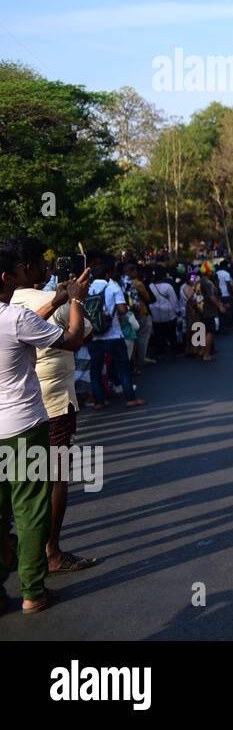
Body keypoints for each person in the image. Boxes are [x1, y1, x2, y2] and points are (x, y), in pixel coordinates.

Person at [0, 238, 91, 613]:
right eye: (22, 270)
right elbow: (72, 340)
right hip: (23, 427)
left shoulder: (16, 316)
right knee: (31, 509)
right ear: (7, 276)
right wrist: (77, 300)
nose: (28, 274)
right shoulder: (14, 319)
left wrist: (56, 298)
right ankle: (33, 591)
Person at [86, 260, 145, 408]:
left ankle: (99, 401)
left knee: (95, 370)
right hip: (113, 335)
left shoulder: (87, 287)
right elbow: (123, 309)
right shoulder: (112, 287)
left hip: (94, 335)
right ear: (108, 274)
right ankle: (130, 398)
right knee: (123, 367)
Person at [146, 266, 180, 358]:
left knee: (159, 333)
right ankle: (175, 350)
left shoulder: (150, 286)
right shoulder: (168, 286)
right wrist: (177, 311)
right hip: (168, 314)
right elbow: (174, 300)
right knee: (172, 333)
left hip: (155, 314)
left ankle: (160, 350)